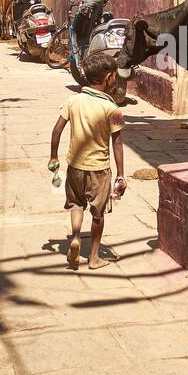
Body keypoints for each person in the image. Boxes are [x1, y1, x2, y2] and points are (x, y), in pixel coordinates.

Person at [48, 53, 127, 269]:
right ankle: (94, 257)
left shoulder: (73, 101)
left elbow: (56, 130)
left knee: (75, 204)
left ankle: (75, 237)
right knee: (98, 213)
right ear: (109, 78)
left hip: (75, 166)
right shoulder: (113, 109)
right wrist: (120, 175)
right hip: (99, 169)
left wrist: (54, 156)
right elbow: (117, 144)